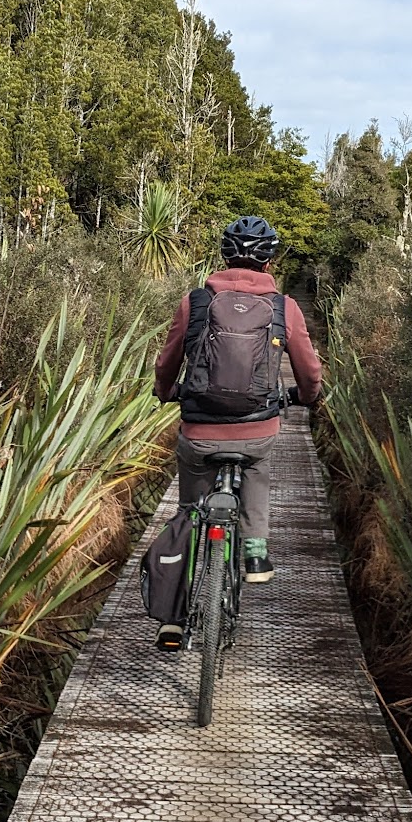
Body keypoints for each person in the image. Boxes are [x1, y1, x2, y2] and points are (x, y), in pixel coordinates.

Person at [151, 215, 323, 650]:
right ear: (270, 261)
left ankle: (173, 616)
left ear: (224, 255)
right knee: (261, 465)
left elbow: (169, 359)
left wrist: (165, 390)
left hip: (199, 429)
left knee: (191, 508)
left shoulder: (196, 303)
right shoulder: (285, 307)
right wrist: (308, 395)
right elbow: (307, 365)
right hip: (257, 428)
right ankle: (256, 551)